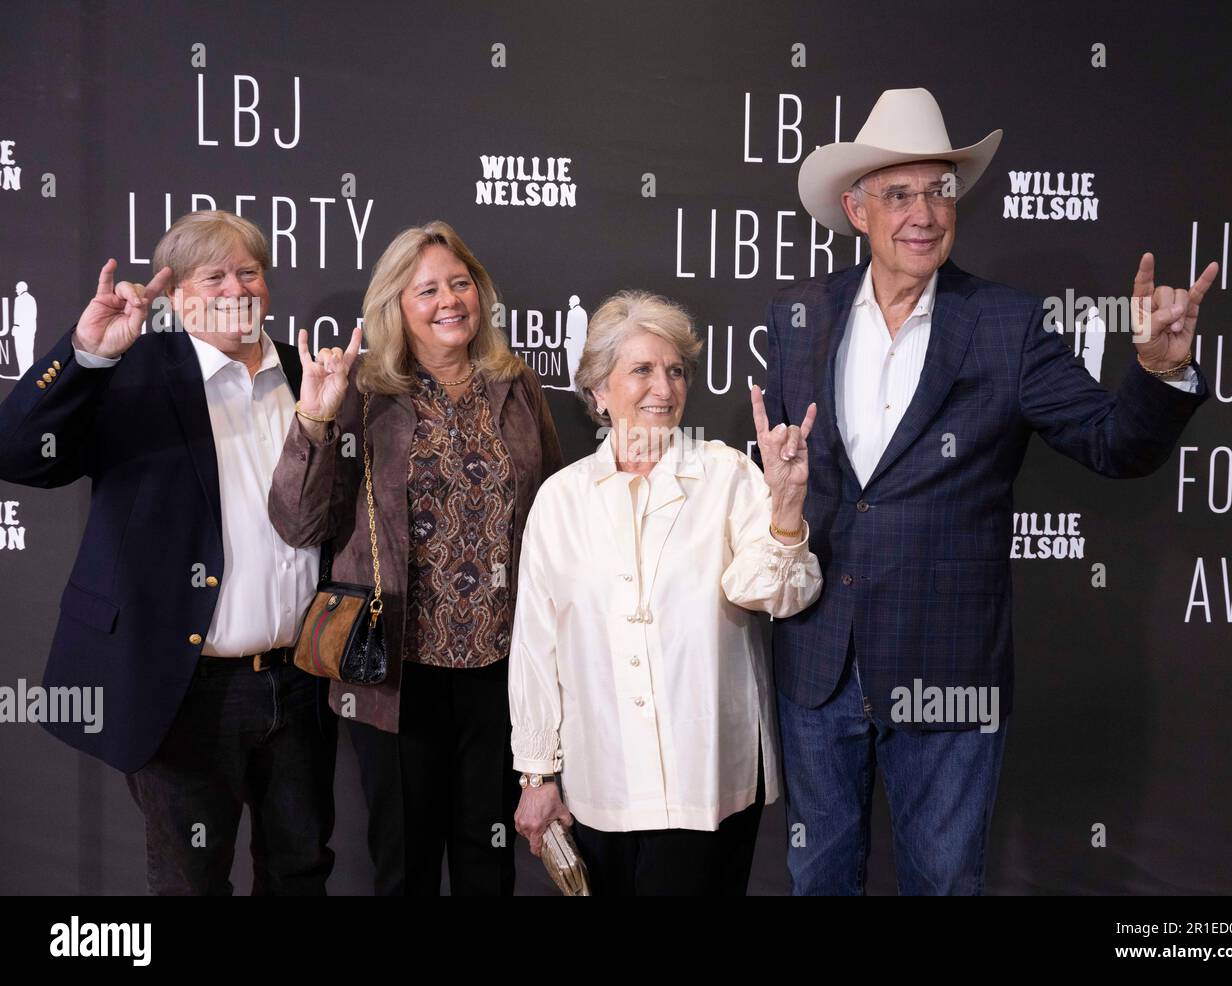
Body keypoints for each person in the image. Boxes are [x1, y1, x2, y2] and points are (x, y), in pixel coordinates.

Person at [764, 87, 1219, 895]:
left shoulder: (1007, 325)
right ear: (855, 209)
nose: (925, 213)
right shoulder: (801, 316)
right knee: (817, 881)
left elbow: (1113, 446)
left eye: (940, 191)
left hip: (949, 669)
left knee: (944, 884)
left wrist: (1156, 370)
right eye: (900, 193)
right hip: (818, 663)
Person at [0, 210, 336, 895]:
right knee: (191, 883)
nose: (235, 287)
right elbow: (17, 454)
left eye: (249, 271)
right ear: (178, 297)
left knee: (301, 872)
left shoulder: (311, 376)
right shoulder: (132, 374)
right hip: (184, 689)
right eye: (213, 276)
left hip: (302, 685)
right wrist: (89, 354)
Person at [269, 220, 564, 895]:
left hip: (501, 665)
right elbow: (299, 519)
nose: (448, 300)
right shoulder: (364, 394)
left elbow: (553, 514)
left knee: (488, 859)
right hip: (395, 672)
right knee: (405, 861)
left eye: (459, 284)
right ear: (396, 307)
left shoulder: (517, 386)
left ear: (480, 294)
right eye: (426, 289)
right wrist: (314, 420)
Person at [510, 290, 822, 895]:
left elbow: (780, 594)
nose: (664, 386)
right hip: (599, 782)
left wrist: (785, 506)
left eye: (676, 370)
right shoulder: (560, 499)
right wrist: (536, 774)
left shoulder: (728, 473)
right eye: (642, 369)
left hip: (707, 779)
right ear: (598, 392)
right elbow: (534, 649)